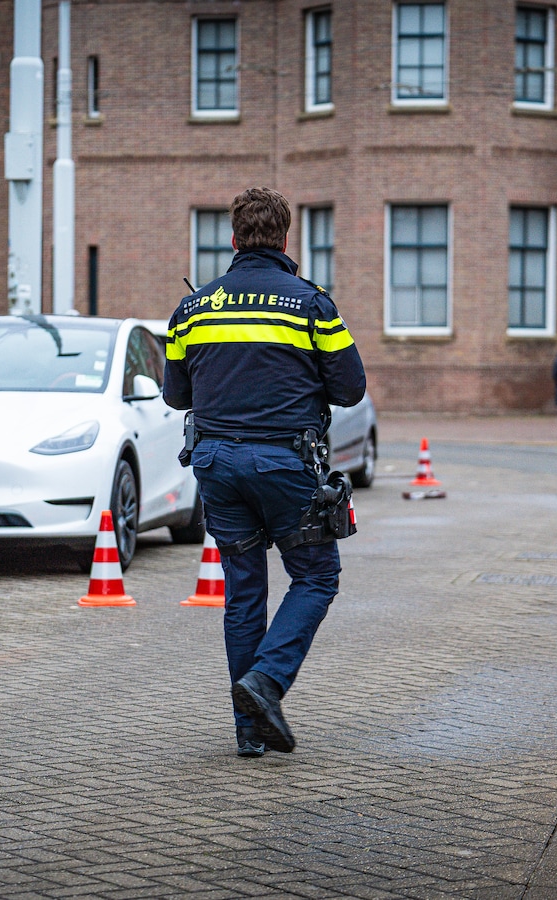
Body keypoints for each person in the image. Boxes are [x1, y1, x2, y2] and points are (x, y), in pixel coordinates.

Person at [163, 187, 366, 757]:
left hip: (217, 467)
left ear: (233, 240)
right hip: (285, 464)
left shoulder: (193, 309)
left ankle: (249, 732)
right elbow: (351, 390)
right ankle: (267, 681)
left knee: (244, 592)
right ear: (284, 239)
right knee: (317, 576)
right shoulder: (311, 304)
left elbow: (177, 397)